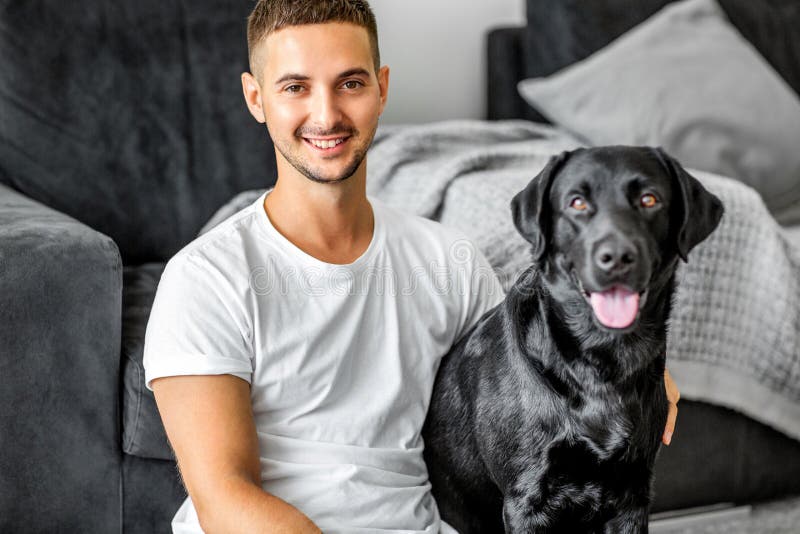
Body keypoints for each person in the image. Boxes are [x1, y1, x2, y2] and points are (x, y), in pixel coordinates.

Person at [143, 1, 680, 532]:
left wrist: (626, 365)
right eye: (296, 88)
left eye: (350, 84)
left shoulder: (449, 262)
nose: (326, 114)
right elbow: (223, 498)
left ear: (381, 89)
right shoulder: (206, 278)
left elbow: (527, 381)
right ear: (256, 98)